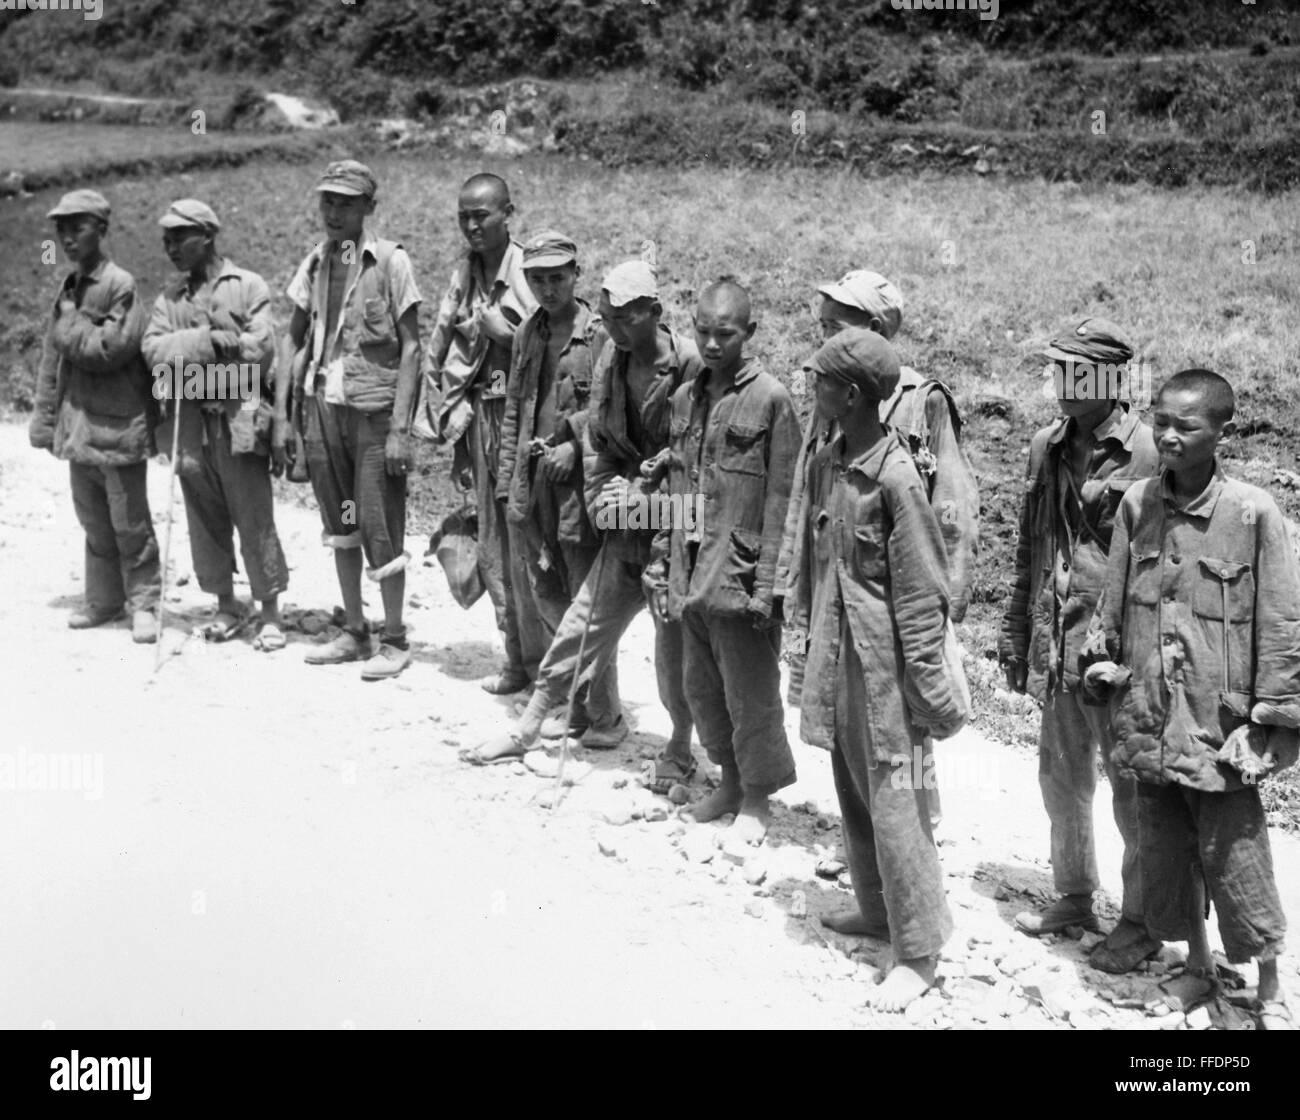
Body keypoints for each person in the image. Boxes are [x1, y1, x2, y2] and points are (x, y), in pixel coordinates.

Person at [1083, 368, 1298, 1029]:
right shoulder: (1137, 503)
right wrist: (1100, 660)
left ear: (1222, 430)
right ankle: (1199, 965)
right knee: (1168, 847)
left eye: (1187, 425)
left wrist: (1273, 717)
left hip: (1220, 720)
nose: (1169, 436)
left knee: (1234, 851)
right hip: (1149, 710)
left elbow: (1282, 621)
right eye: (1162, 422)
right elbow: (1113, 598)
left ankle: (1267, 984)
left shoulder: (1252, 512)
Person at [786, 328, 966, 1011]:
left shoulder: (894, 477)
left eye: (822, 384)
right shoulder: (829, 460)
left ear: (852, 395)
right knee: (852, 784)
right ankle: (875, 908)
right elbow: (816, 565)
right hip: (839, 654)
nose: (814, 392)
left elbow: (924, 593)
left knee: (897, 802)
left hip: (887, 669)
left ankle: (919, 952)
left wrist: (927, 692)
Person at [465, 260, 696, 771]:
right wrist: (610, 503)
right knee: (581, 623)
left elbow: (703, 469)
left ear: (654, 313)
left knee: (674, 652)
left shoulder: (689, 366)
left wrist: (655, 509)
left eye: (623, 320)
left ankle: (680, 746)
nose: (611, 331)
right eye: (607, 319)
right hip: (626, 524)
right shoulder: (613, 359)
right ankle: (529, 726)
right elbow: (599, 441)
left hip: (675, 531)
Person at [998, 318, 1163, 973]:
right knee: (1061, 781)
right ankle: (1073, 896)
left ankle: (1142, 920)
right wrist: (1015, 633)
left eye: (1070, 371)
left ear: (1108, 379)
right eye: (1055, 369)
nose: (1056, 384)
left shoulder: (1149, 451)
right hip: (1058, 642)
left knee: (1132, 791)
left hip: (1119, 656)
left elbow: (1166, 563)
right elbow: (1028, 547)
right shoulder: (1046, 446)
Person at [646, 280, 799, 842]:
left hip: (741, 578)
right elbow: (678, 489)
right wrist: (665, 562)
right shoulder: (685, 397)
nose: (711, 344)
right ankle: (729, 783)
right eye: (703, 332)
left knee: (751, 693)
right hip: (692, 574)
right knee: (702, 689)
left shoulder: (772, 400)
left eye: (725, 333)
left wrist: (771, 588)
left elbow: (786, 497)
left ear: (749, 333)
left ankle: (758, 799)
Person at [278, 160, 423, 679]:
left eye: (346, 202)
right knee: (340, 523)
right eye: (328, 201)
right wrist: (283, 419)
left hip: (373, 413)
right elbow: (292, 338)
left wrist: (402, 429)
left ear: (368, 207)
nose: (334, 211)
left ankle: (396, 637)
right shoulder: (315, 264)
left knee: (379, 524)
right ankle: (355, 631)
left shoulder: (389, 262)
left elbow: (411, 348)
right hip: (323, 407)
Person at [143, 199, 288, 651]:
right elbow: (154, 356)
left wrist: (189, 367)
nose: (170, 248)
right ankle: (226, 604)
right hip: (189, 425)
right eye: (165, 240)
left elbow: (258, 351)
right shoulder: (169, 298)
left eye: (178, 238)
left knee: (252, 513)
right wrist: (208, 341)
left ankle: (268, 610)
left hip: (239, 419)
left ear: (206, 236)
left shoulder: (247, 285)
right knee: (204, 516)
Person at [421, 173, 541, 694]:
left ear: (507, 212)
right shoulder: (463, 274)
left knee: (531, 543)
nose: (472, 225)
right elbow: (440, 347)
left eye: (482, 215)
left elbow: (554, 351)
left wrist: (506, 337)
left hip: (526, 421)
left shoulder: (531, 273)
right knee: (493, 544)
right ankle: (515, 658)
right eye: (464, 216)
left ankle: (553, 671)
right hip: (481, 420)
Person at [497, 231, 617, 738]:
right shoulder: (528, 333)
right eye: (538, 279)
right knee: (546, 590)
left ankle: (605, 712)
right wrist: (508, 483)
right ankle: (572, 699)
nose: (549, 288)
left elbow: (613, 409)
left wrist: (573, 442)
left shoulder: (600, 335)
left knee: (585, 595)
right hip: (534, 478)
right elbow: (515, 408)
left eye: (557, 278)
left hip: (580, 484)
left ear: (576, 275)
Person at [29, 188, 160, 642]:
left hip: (118, 426)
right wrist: (45, 419)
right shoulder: (69, 287)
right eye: (61, 230)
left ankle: (145, 604)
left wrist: (69, 323)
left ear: (101, 230)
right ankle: (104, 600)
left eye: (77, 227)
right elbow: (53, 357)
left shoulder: (119, 284)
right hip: (79, 425)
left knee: (130, 522)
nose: (67, 238)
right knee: (93, 519)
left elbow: (111, 348)